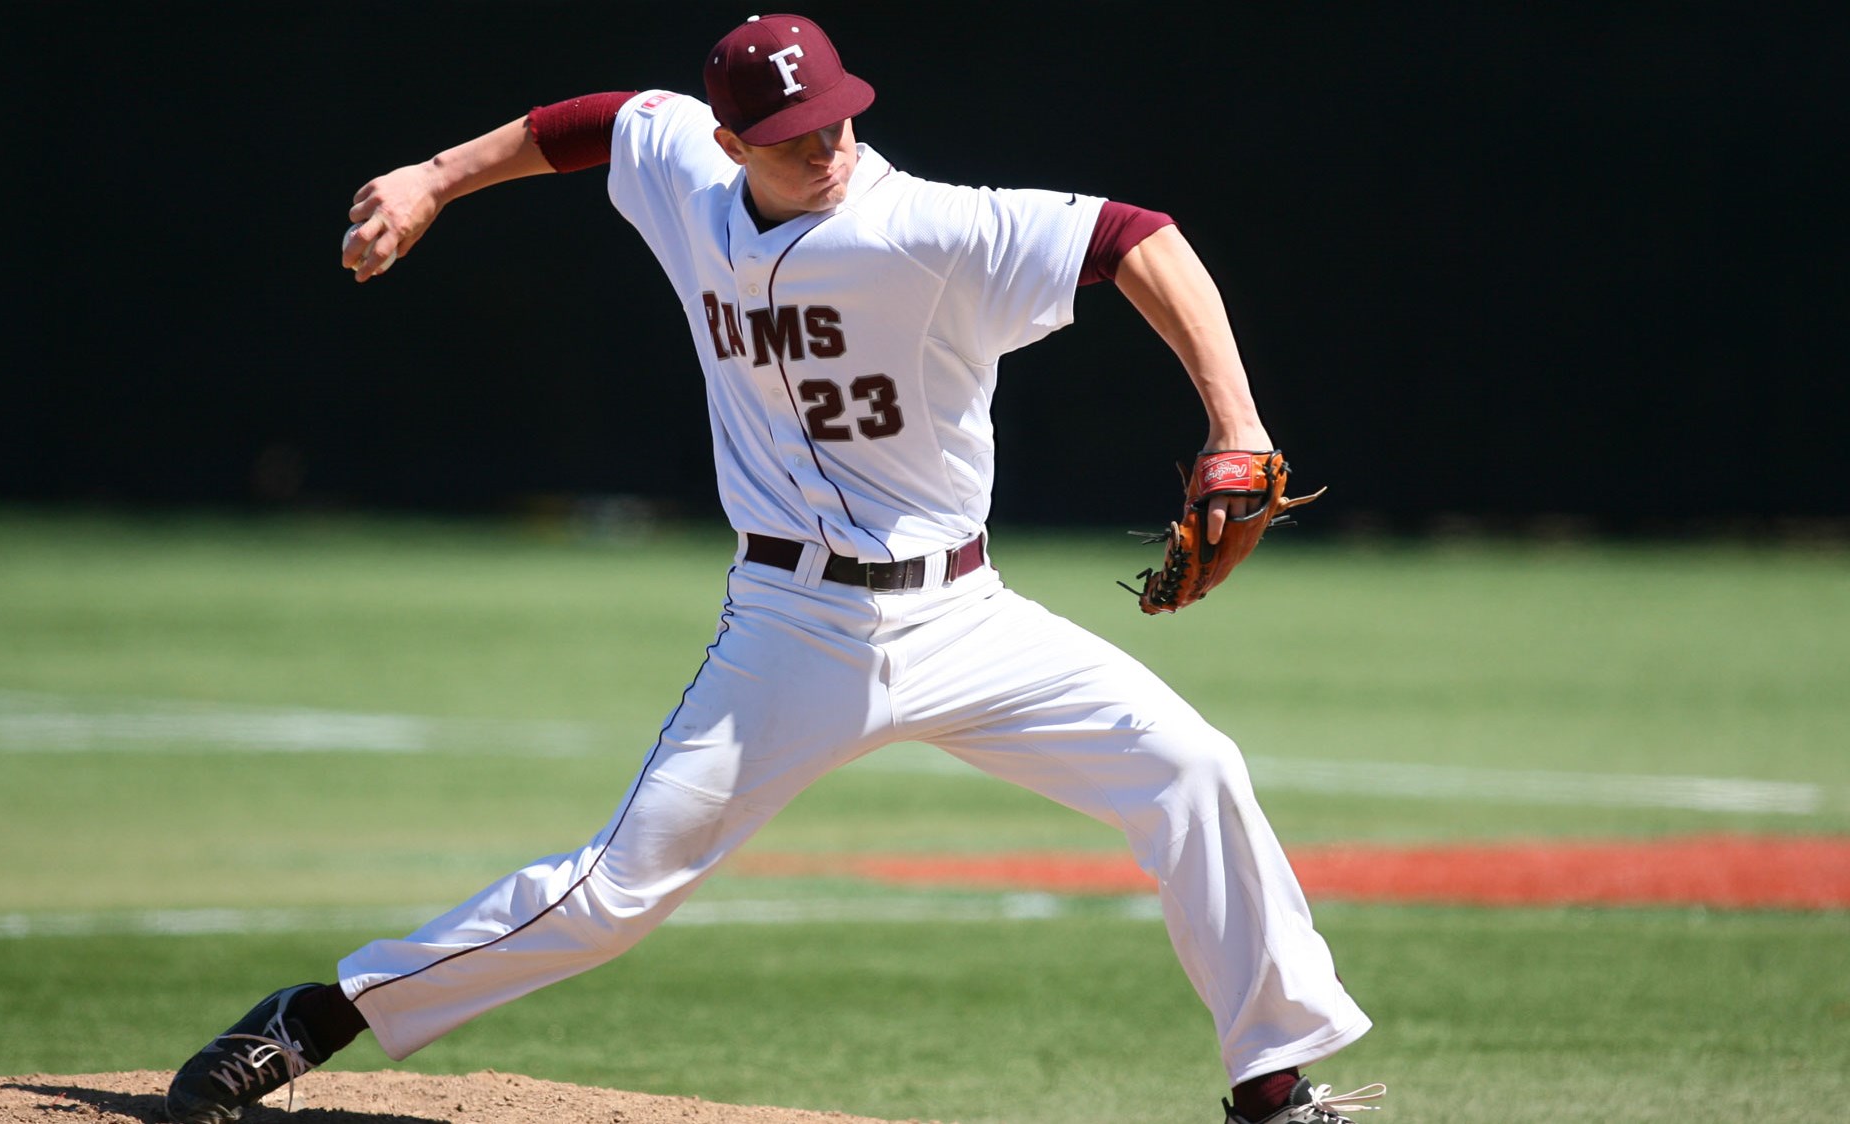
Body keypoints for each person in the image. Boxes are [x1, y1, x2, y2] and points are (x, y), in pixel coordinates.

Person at [164, 14, 1382, 1124]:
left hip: (967, 615)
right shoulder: (687, 169)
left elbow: (1134, 238)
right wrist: (434, 177)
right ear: (730, 138)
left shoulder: (926, 225)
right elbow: (590, 124)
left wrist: (1236, 427)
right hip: (789, 627)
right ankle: (315, 1014)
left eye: (838, 117)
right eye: (794, 134)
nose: (827, 145)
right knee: (609, 893)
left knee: (1192, 768)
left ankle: (1271, 1083)